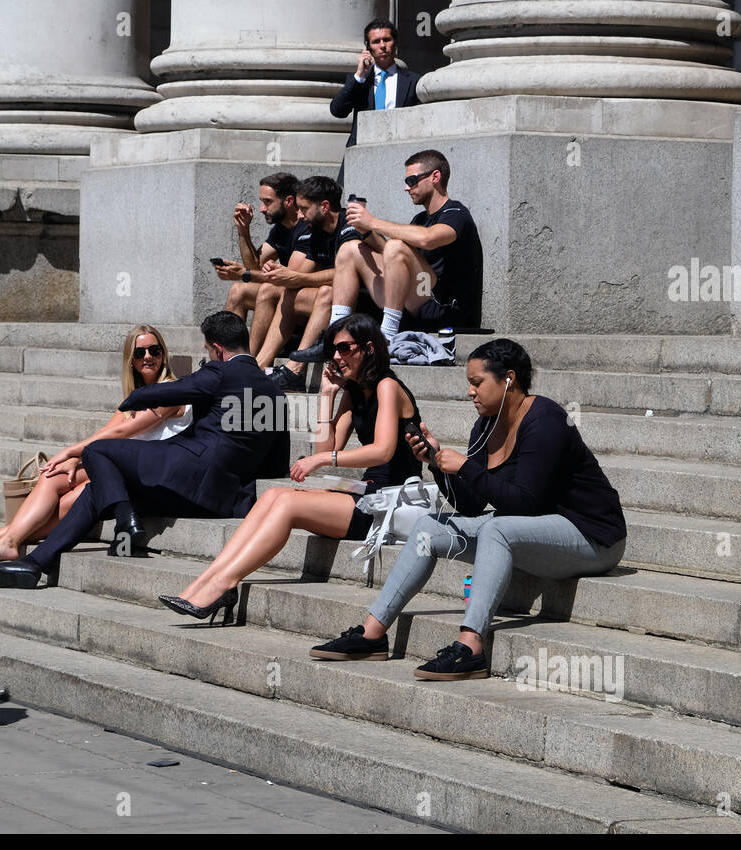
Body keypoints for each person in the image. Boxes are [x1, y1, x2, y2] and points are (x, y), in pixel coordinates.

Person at [310, 339, 627, 679]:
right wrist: (436, 462)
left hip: (591, 536)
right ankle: (372, 633)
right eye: (469, 383)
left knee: (497, 528)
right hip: (533, 529)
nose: (470, 392)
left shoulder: (546, 420)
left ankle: (471, 645)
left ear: (508, 379)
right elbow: (472, 504)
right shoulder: (486, 425)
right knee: (430, 527)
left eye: (477, 383)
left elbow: (525, 501)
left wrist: (464, 467)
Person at [0, 311, 290, 590]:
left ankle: (125, 521)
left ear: (217, 349)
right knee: (96, 490)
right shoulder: (276, 393)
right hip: (222, 499)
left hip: (190, 475)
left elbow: (176, 389)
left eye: (207, 349)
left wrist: (132, 400)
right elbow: (275, 464)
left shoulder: (221, 372)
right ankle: (36, 564)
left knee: (99, 452)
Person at [160, 313, 423, 623]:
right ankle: (209, 579)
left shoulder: (387, 386)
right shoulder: (355, 391)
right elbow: (326, 448)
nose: (337, 357)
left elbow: (382, 450)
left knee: (286, 503)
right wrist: (326, 394)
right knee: (273, 495)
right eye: (332, 351)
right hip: (368, 493)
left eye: (344, 348)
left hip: (392, 504)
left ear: (369, 348)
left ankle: (223, 583)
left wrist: (323, 460)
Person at [0, 325, 190, 576]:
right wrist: (76, 457)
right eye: (140, 352)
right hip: (118, 468)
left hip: (146, 475)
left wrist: (69, 453)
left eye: (155, 350)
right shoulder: (135, 397)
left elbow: (121, 433)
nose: (148, 357)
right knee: (56, 487)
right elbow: (103, 434)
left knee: (62, 490)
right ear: (130, 360)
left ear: (163, 354)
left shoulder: (170, 391)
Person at [296, 149, 483, 362]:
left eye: (412, 180)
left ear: (435, 177)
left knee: (396, 247)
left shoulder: (456, 213)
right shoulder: (419, 219)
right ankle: (333, 336)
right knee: (351, 248)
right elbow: (394, 258)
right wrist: (365, 231)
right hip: (416, 300)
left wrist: (374, 222)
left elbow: (428, 239)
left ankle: (387, 336)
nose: (406, 188)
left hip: (445, 308)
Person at [260, 176, 362, 392]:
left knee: (325, 291)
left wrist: (299, 278)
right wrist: (278, 273)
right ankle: (257, 366)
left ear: (324, 207)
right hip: (333, 303)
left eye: (304, 209)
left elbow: (347, 273)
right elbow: (300, 274)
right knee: (290, 293)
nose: (299, 214)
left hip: (363, 305)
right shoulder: (317, 232)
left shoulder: (350, 226)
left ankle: (294, 371)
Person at [213, 172, 306, 356]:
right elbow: (255, 266)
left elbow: (290, 279)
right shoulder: (280, 229)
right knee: (238, 290)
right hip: (288, 292)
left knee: (266, 290)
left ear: (288, 201)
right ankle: (226, 358)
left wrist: (243, 274)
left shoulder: (306, 226)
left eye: (268, 202)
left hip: (303, 295)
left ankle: (248, 362)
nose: (262, 209)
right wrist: (243, 230)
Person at [330, 18, 421, 182]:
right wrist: (359, 75)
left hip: (399, 154)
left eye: (387, 39)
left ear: (395, 42)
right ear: (368, 47)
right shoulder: (360, 80)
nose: (382, 46)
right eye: (376, 41)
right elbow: (337, 111)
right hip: (361, 153)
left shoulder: (413, 81)